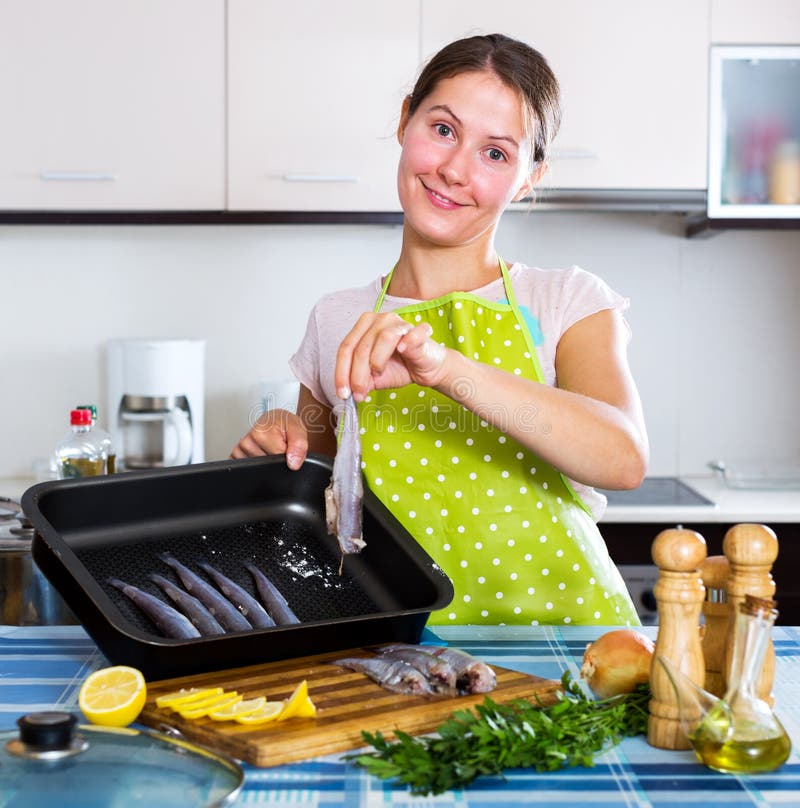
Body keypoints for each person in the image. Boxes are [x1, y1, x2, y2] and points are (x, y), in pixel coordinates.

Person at [231, 33, 649, 627]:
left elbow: (623, 458)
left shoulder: (563, 300)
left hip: (569, 648)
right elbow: (314, 507)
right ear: (405, 121)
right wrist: (276, 445)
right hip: (403, 648)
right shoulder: (336, 318)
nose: (454, 170)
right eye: (444, 130)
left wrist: (447, 370)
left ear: (530, 177)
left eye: (496, 154)